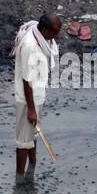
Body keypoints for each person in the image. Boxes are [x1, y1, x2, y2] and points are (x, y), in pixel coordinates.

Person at [11, 13, 61, 180]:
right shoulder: (30, 46)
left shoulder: (40, 35)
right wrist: (31, 109)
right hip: (27, 99)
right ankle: (19, 179)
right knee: (23, 141)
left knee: (32, 133)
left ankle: (32, 166)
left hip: (37, 94)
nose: (55, 37)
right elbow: (27, 81)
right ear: (45, 29)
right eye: (54, 33)